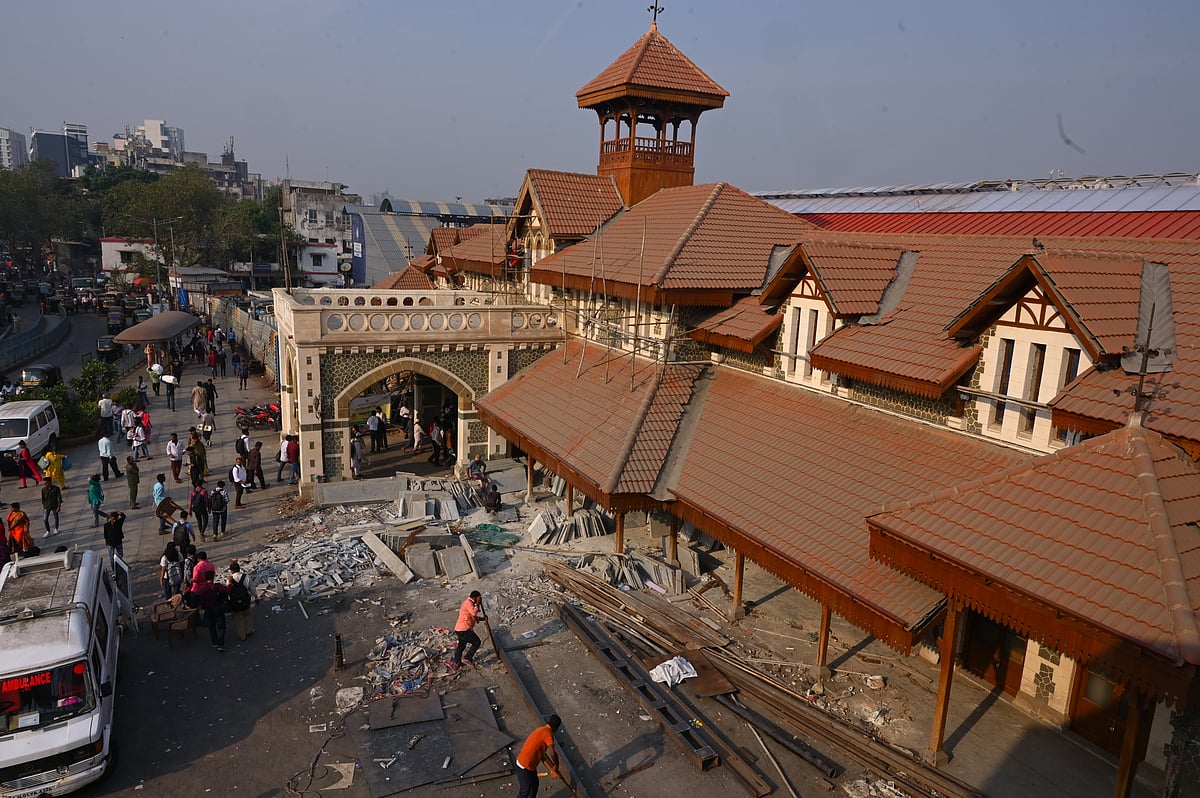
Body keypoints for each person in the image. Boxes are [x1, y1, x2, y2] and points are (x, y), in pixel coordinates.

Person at [515, 715, 562, 798]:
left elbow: (542, 756)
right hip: (524, 766)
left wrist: (552, 770)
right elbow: (553, 753)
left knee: (534, 785)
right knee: (525, 792)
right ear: (556, 728)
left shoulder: (541, 730)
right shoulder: (548, 734)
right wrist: (556, 767)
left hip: (529, 765)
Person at [185, 570, 227, 652]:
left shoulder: (202, 589)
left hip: (208, 610)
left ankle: (214, 642)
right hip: (218, 609)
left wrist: (189, 586)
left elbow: (189, 594)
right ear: (213, 577)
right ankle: (220, 643)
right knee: (221, 627)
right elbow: (226, 591)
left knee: (211, 627)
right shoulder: (218, 586)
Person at [452, 590, 487, 670]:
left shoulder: (469, 604)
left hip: (460, 629)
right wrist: (478, 603)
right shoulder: (468, 603)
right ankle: (467, 657)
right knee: (476, 642)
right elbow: (474, 613)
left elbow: (473, 617)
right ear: (475, 597)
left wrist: (482, 619)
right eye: (477, 598)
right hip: (464, 629)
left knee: (461, 645)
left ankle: (457, 661)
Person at [227, 560, 256, 641]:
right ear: (239, 569)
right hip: (245, 600)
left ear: (231, 571)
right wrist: (256, 597)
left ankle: (242, 636)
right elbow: (252, 588)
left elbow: (228, 591)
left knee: (238, 619)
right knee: (248, 615)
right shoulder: (246, 577)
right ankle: (249, 631)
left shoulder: (230, 579)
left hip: (235, 603)